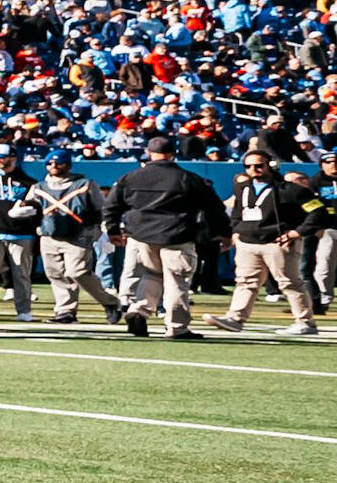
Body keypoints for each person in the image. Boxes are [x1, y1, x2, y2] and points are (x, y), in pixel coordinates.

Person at [112, 139, 219, 341]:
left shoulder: (131, 177)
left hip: (142, 235)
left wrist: (111, 229)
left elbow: (112, 205)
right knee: (177, 280)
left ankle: (139, 309)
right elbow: (213, 207)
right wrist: (222, 232)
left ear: (149, 152)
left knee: (152, 274)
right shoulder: (188, 178)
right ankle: (176, 327)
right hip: (177, 235)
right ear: (172, 153)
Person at [219, 137, 321, 338]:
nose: (254, 169)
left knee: (290, 283)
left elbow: (317, 212)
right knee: (245, 282)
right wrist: (235, 232)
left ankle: (305, 321)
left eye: (259, 165)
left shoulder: (291, 189)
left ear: (270, 166)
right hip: (248, 243)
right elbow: (238, 212)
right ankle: (235, 318)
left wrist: (296, 232)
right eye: (249, 166)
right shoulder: (242, 188)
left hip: (277, 242)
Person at [29, 147, 105, 327]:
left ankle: (109, 302)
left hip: (78, 234)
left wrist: (99, 230)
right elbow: (31, 209)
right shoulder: (38, 187)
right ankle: (65, 310)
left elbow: (101, 208)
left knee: (77, 272)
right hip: (49, 234)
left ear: (68, 165)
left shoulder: (85, 184)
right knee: (55, 273)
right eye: (50, 163)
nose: (54, 166)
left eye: (59, 162)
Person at [0, 148, 47, 325]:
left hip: (21, 235)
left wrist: (29, 209)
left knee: (22, 274)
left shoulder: (28, 183)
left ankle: (24, 311)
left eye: (4, 157)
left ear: (13, 158)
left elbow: (39, 210)